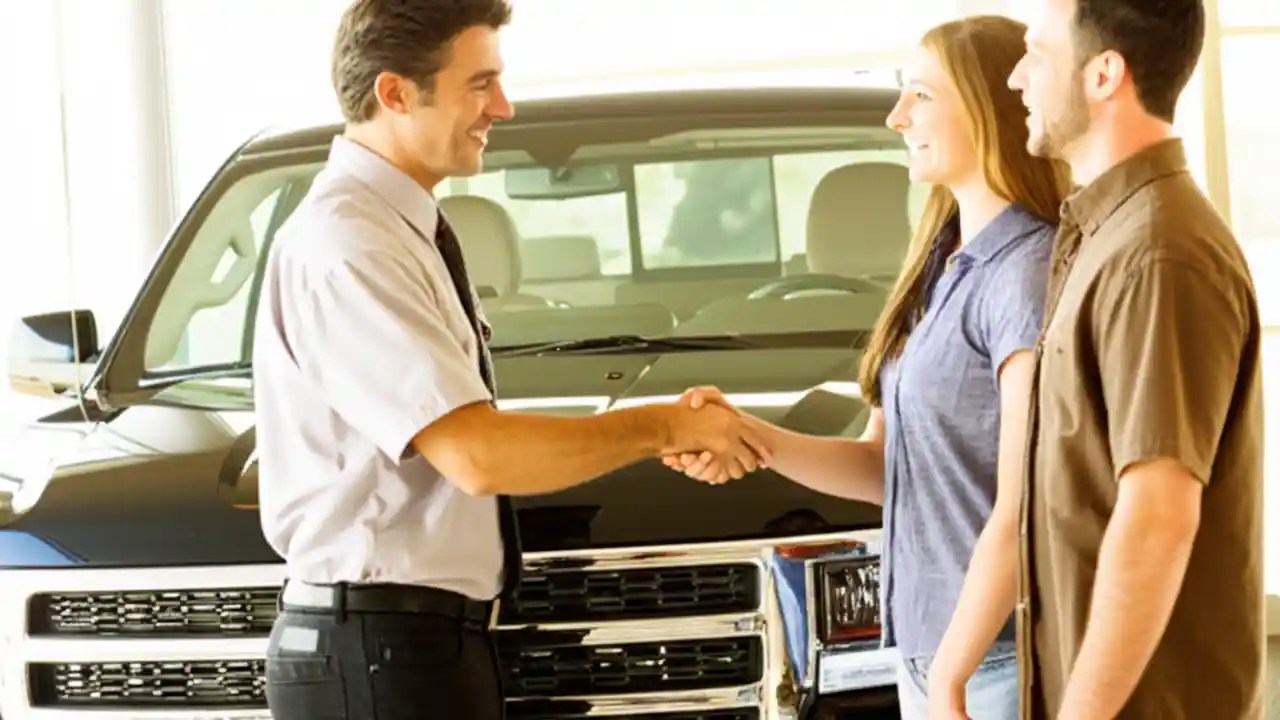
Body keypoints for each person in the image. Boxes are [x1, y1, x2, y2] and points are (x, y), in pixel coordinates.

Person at [250, 1, 768, 718]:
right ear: (396, 93)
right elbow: (476, 455)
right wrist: (664, 428)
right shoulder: (351, 244)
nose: (504, 106)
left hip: (414, 648)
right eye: (480, 84)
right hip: (380, 658)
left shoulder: (397, 229)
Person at [667, 15, 1070, 720]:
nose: (895, 118)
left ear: (984, 107)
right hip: (929, 652)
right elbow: (887, 470)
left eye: (919, 96)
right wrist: (748, 435)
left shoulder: (1024, 274)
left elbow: (1021, 506)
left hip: (991, 659)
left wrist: (950, 677)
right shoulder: (940, 266)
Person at [1005, 0, 1265, 717]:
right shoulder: (1109, 236)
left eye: (1037, 53)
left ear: (1104, 73)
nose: (1017, 78)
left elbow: (1157, 516)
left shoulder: (1156, 253)